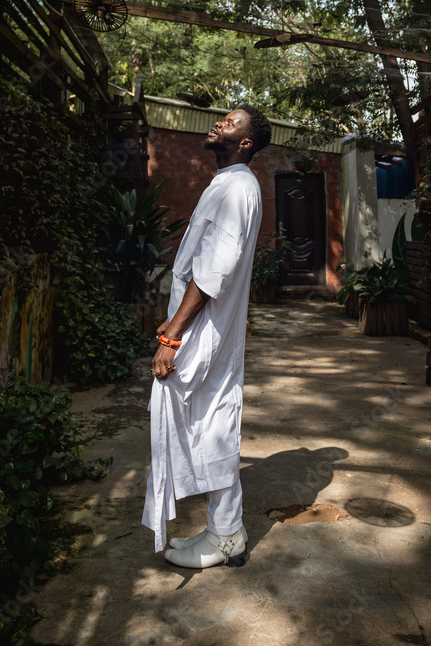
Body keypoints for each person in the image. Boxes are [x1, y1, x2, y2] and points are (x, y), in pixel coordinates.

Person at [141, 104, 272, 568]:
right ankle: (224, 531)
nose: (219, 121)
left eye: (231, 122)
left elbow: (214, 270)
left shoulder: (239, 187)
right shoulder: (230, 183)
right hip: (204, 325)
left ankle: (226, 534)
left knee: (202, 418)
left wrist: (173, 335)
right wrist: (174, 316)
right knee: (211, 419)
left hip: (205, 330)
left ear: (245, 143)